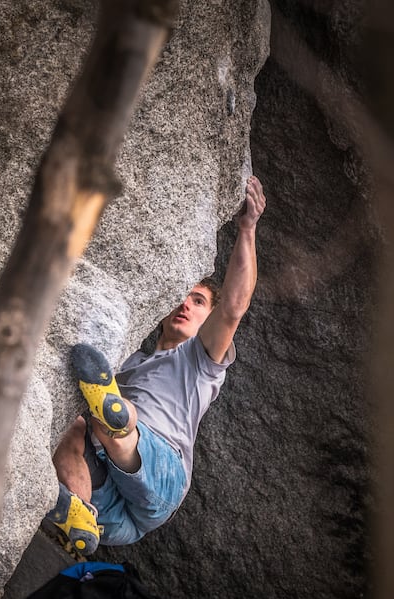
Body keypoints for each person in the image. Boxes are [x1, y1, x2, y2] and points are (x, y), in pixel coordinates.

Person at [45, 175, 266, 552]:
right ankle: (78, 517)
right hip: (111, 513)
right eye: (182, 298)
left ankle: (117, 421)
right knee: (70, 430)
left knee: (102, 412)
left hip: (163, 474)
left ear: (206, 319)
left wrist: (247, 228)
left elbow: (233, 308)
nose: (185, 305)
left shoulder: (200, 360)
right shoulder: (128, 359)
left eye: (198, 301)